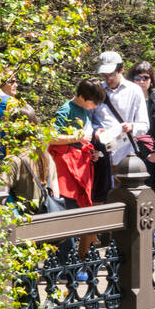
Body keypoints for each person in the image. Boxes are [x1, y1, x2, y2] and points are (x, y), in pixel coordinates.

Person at [49, 77, 107, 259]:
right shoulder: (66, 109)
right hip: (67, 170)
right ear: (83, 97)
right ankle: (64, 260)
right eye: (94, 102)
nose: (95, 106)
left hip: (82, 166)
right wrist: (77, 137)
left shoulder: (85, 110)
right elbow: (51, 136)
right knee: (68, 211)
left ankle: (74, 260)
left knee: (80, 211)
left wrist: (92, 152)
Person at [90, 51, 150, 202]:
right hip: (101, 156)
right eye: (104, 75)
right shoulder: (97, 91)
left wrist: (131, 127)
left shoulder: (134, 90)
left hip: (125, 157)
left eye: (111, 74)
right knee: (100, 201)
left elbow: (144, 124)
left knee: (124, 201)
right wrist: (96, 131)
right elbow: (90, 121)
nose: (108, 79)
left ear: (121, 70)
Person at [129, 60, 155, 192]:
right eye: (137, 78)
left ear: (151, 79)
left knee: (150, 194)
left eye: (145, 77)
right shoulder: (126, 100)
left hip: (151, 156)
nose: (141, 81)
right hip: (131, 154)